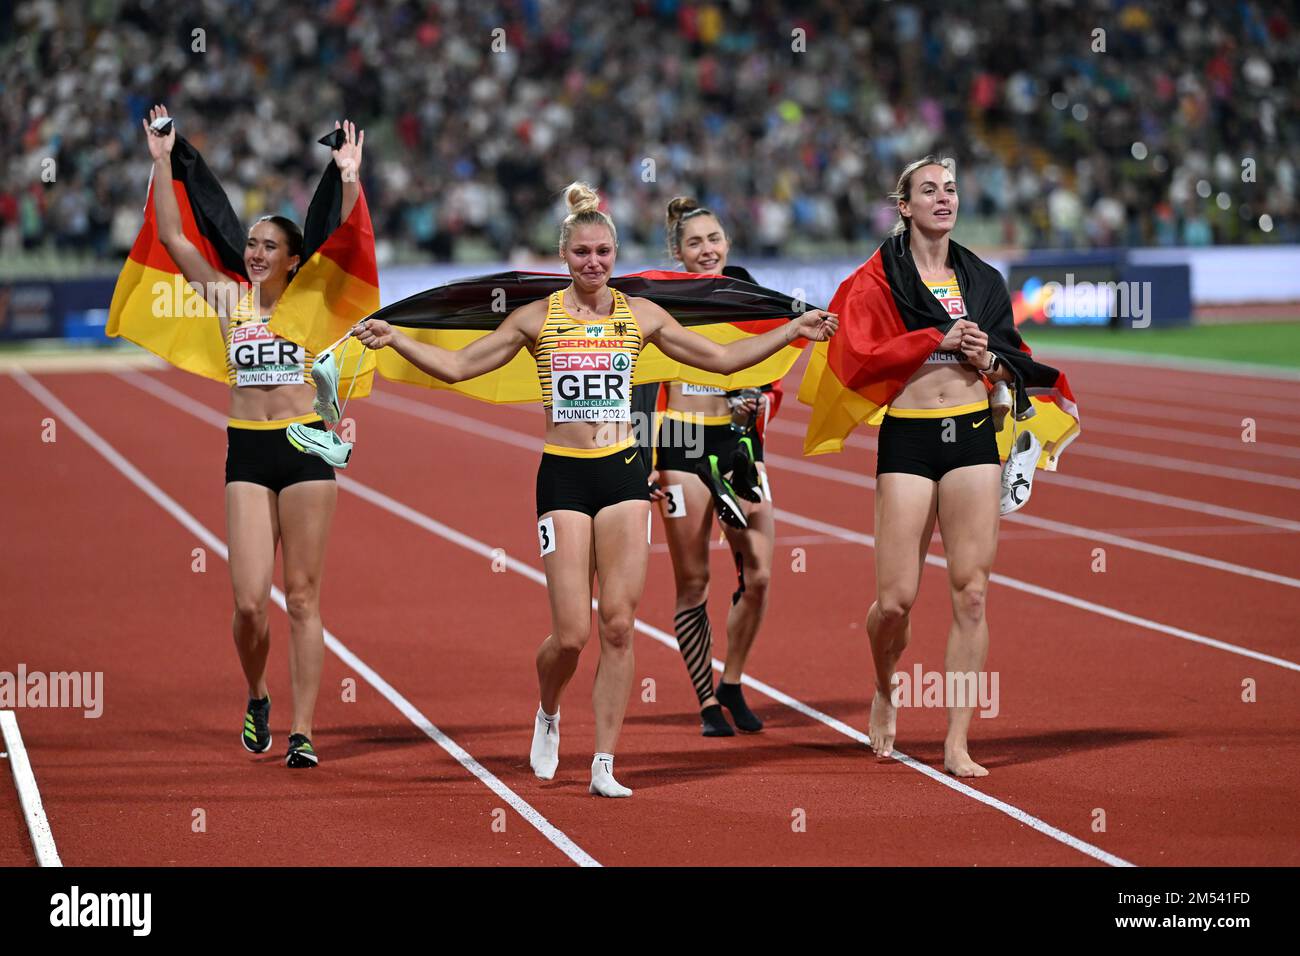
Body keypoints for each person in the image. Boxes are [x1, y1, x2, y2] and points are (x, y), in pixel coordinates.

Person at [353, 182, 837, 796]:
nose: (594, 263)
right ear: (565, 255)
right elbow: (459, 367)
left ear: (615, 254)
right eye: (582, 252)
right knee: (572, 635)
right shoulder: (536, 318)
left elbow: (722, 360)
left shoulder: (641, 315)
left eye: (604, 252)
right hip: (563, 476)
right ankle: (549, 710)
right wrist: (395, 338)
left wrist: (794, 330)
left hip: (623, 474)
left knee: (617, 625)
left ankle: (604, 762)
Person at [143, 105, 367, 768]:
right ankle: (257, 694)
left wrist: (349, 177)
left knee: (301, 596)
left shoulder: (316, 302)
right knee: (248, 604)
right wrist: (162, 162)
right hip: (246, 450)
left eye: (270, 247)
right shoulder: (227, 298)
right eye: (253, 245)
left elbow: (350, 240)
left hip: (303, 448)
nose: (256, 253)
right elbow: (175, 236)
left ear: (296, 260)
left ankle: (303, 731)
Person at [650, 196, 783, 737]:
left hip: (739, 443)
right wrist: (647, 458)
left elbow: (773, 374)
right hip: (681, 438)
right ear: (678, 252)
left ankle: (733, 680)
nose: (707, 250)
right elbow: (637, 382)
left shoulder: (749, 297)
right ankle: (706, 702)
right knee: (694, 581)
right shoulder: (659, 301)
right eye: (695, 243)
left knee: (761, 574)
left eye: (714, 239)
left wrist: (759, 402)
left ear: (727, 242)